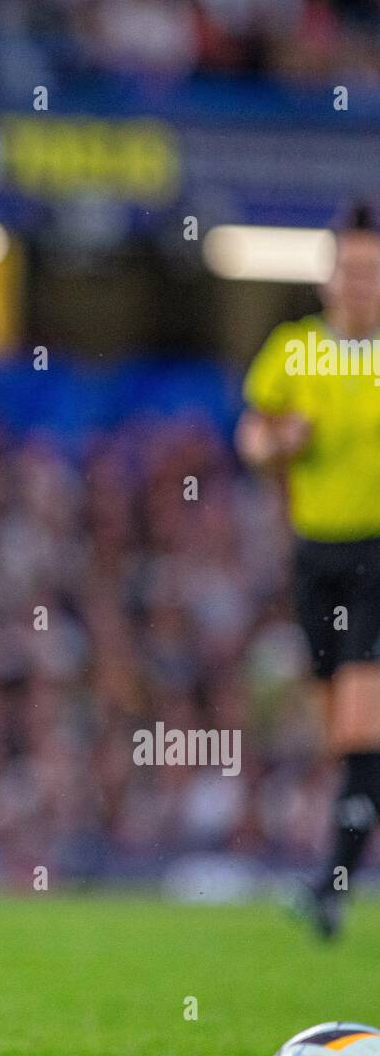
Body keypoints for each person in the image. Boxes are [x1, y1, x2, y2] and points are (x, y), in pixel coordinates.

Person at [237, 204, 380, 939]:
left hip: (376, 554)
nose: (358, 284)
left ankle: (328, 887)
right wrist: (277, 443)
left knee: (362, 723)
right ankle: (332, 878)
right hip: (313, 557)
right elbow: (251, 437)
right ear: (327, 277)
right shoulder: (294, 351)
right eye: (348, 269)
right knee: (342, 736)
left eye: (370, 271)